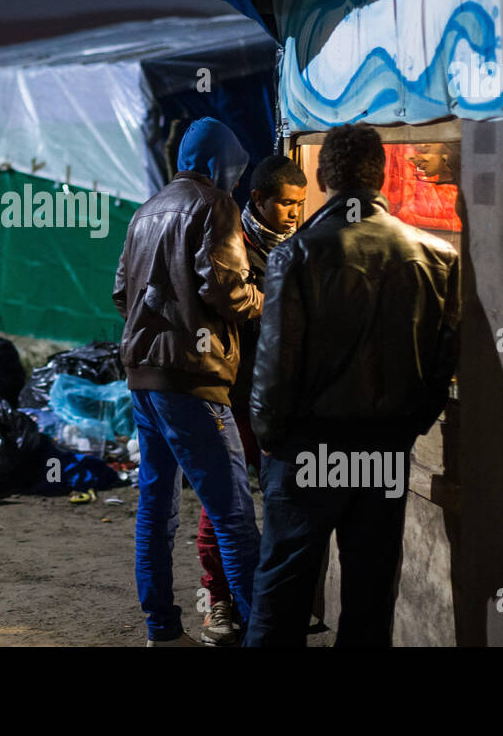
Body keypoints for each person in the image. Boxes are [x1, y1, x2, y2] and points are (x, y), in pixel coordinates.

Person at [244, 124, 461, 647]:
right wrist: (405, 429)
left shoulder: (295, 255)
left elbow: (274, 370)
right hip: (384, 449)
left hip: (307, 451)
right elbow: (442, 366)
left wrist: (270, 438)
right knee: (369, 596)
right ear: (381, 175)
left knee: (282, 592)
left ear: (323, 175)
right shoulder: (436, 257)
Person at [113, 117, 264, 646]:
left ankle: (162, 630)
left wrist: (159, 314)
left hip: (143, 381)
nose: (237, 182)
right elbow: (226, 291)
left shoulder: (145, 211)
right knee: (232, 514)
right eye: (235, 169)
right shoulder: (213, 206)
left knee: (155, 510)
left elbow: (120, 292)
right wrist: (268, 298)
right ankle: (260, 635)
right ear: (219, 162)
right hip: (193, 382)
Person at [197, 155, 307, 645]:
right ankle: (218, 601)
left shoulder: (299, 248)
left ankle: (270, 604)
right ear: (257, 200)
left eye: (299, 204)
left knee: (284, 502)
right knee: (224, 504)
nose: (293, 214)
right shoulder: (230, 247)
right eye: (285, 203)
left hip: (283, 400)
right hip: (235, 397)